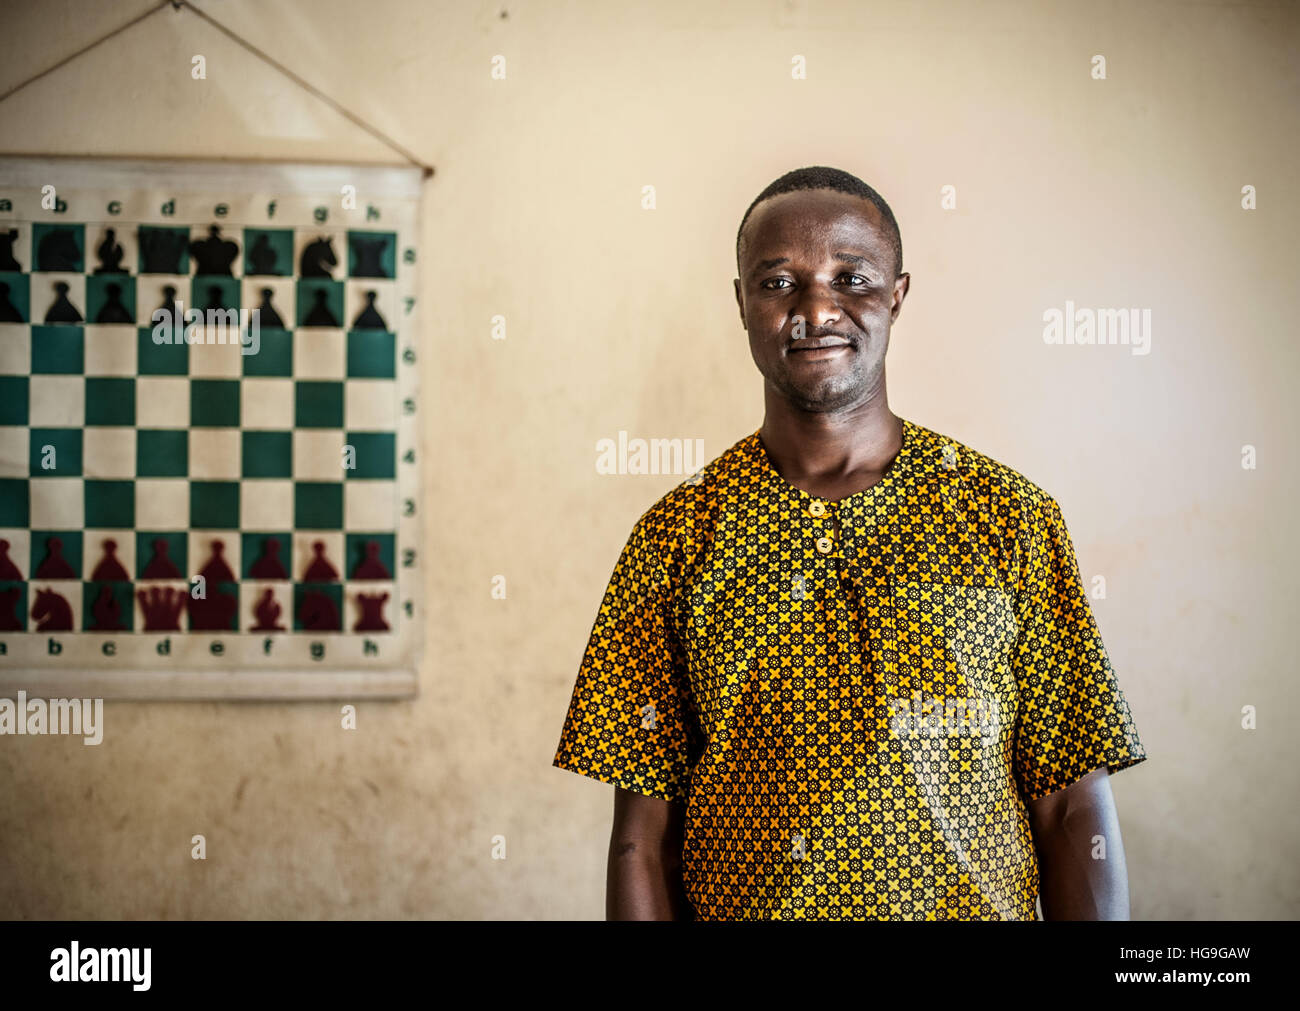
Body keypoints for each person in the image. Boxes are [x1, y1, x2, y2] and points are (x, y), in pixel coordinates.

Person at [552, 165, 1148, 921]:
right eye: (777, 282)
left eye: (852, 277)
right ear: (741, 302)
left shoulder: (1008, 517)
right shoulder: (676, 537)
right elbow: (642, 839)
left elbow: (1071, 807)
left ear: (897, 295)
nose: (817, 308)